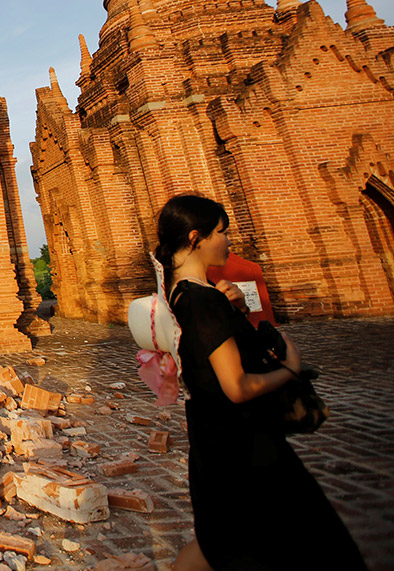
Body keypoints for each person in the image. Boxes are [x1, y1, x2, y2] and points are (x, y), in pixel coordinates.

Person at [154, 194, 364, 570]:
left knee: (222, 543)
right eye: (222, 232)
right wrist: (291, 369)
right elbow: (236, 386)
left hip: (215, 439)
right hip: (244, 446)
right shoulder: (202, 301)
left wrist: (236, 309)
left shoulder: (181, 295)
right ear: (196, 238)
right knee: (306, 541)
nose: (228, 241)